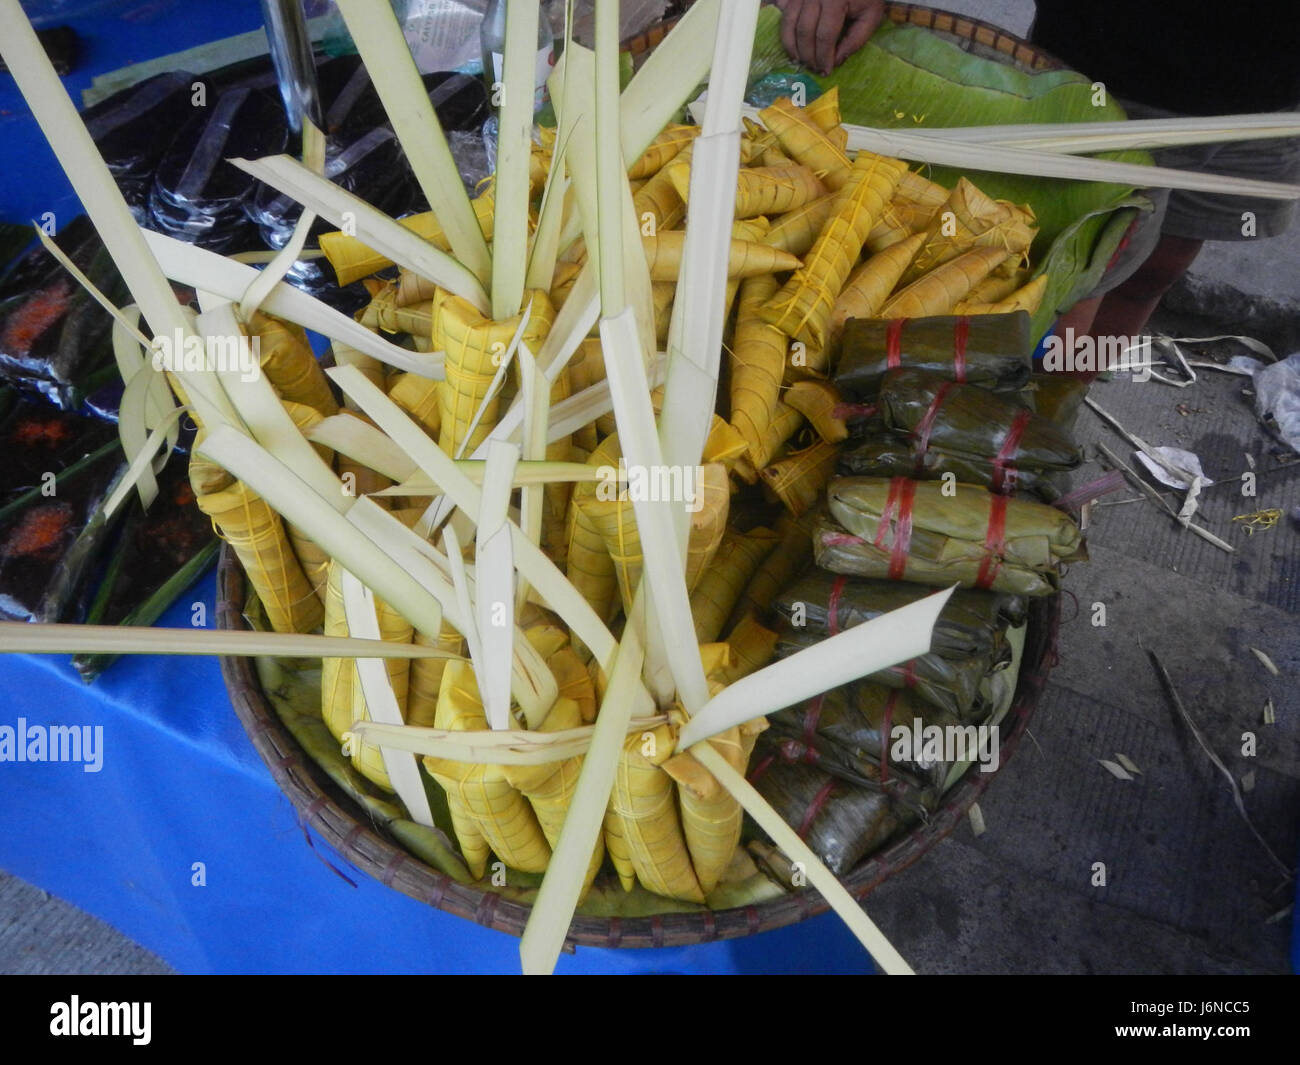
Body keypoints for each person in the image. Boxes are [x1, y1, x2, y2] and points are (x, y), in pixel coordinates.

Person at [775, 0, 1300, 379]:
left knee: (1152, 274)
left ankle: (1058, 401)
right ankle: (1013, 391)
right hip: (1099, 70)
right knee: (1067, 282)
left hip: (1269, 101)